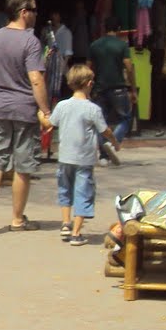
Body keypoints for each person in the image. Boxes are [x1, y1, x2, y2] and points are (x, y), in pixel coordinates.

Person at [0, 0, 52, 236]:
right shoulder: (30, 42)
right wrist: (46, 110)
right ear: (23, 12)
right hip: (24, 109)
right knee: (22, 165)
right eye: (35, 10)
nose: (37, 15)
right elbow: (36, 79)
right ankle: (17, 220)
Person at [50, 63, 118, 245]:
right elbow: (105, 131)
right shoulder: (92, 109)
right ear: (89, 83)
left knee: (65, 190)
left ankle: (65, 224)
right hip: (84, 160)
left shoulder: (62, 106)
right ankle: (76, 233)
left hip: (64, 157)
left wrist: (42, 115)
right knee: (83, 193)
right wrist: (115, 143)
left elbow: (51, 123)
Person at [88, 16, 135, 161]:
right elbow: (129, 67)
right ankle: (113, 142)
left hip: (99, 88)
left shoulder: (94, 45)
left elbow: (88, 68)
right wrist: (133, 89)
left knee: (102, 122)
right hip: (118, 88)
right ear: (119, 29)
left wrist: (87, 89)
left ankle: (103, 156)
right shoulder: (122, 46)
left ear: (104, 28)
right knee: (126, 118)